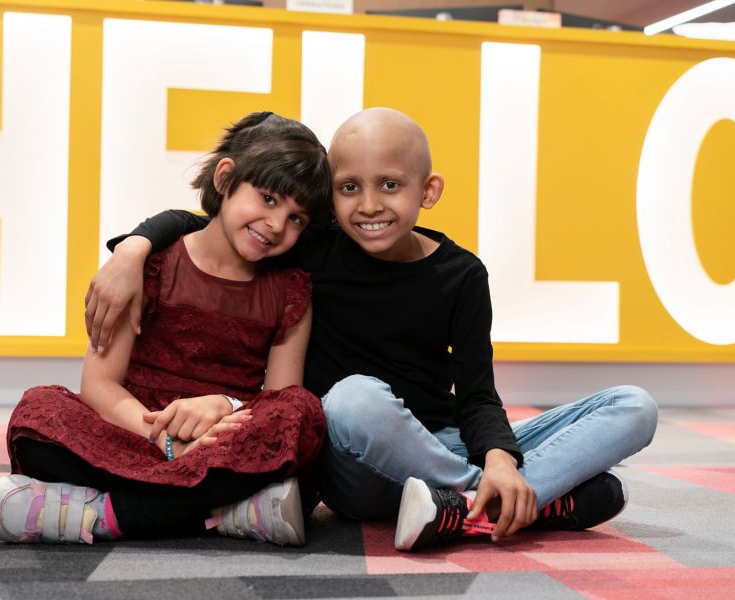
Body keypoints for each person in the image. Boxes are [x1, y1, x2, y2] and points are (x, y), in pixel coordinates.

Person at [85, 107, 659, 552]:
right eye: (349, 187)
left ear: (427, 191)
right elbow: (220, 221)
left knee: (634, 406)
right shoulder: (313, 244)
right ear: (331, 197)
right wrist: (134, 247)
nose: (369, 205)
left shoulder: (461, 275)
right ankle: (499, 499)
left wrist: (503, 458)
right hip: (353, 460)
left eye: (390, 185)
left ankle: (468, 501)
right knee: (353, 398)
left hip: (441, 440)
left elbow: (478, 393)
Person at [0, 111, 333, 546]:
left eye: (297, 218)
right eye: (269, 199)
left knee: (302, 413)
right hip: (132, 429)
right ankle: (225, 512)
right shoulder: (151, 265)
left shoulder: (290, 289)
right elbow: (100, 384)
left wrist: (223, 405)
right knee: (39, 411)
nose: (278, 225)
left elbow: (278, 397)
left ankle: (105, 514)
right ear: (225, 179)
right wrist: (167, 444)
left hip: (223, 436)